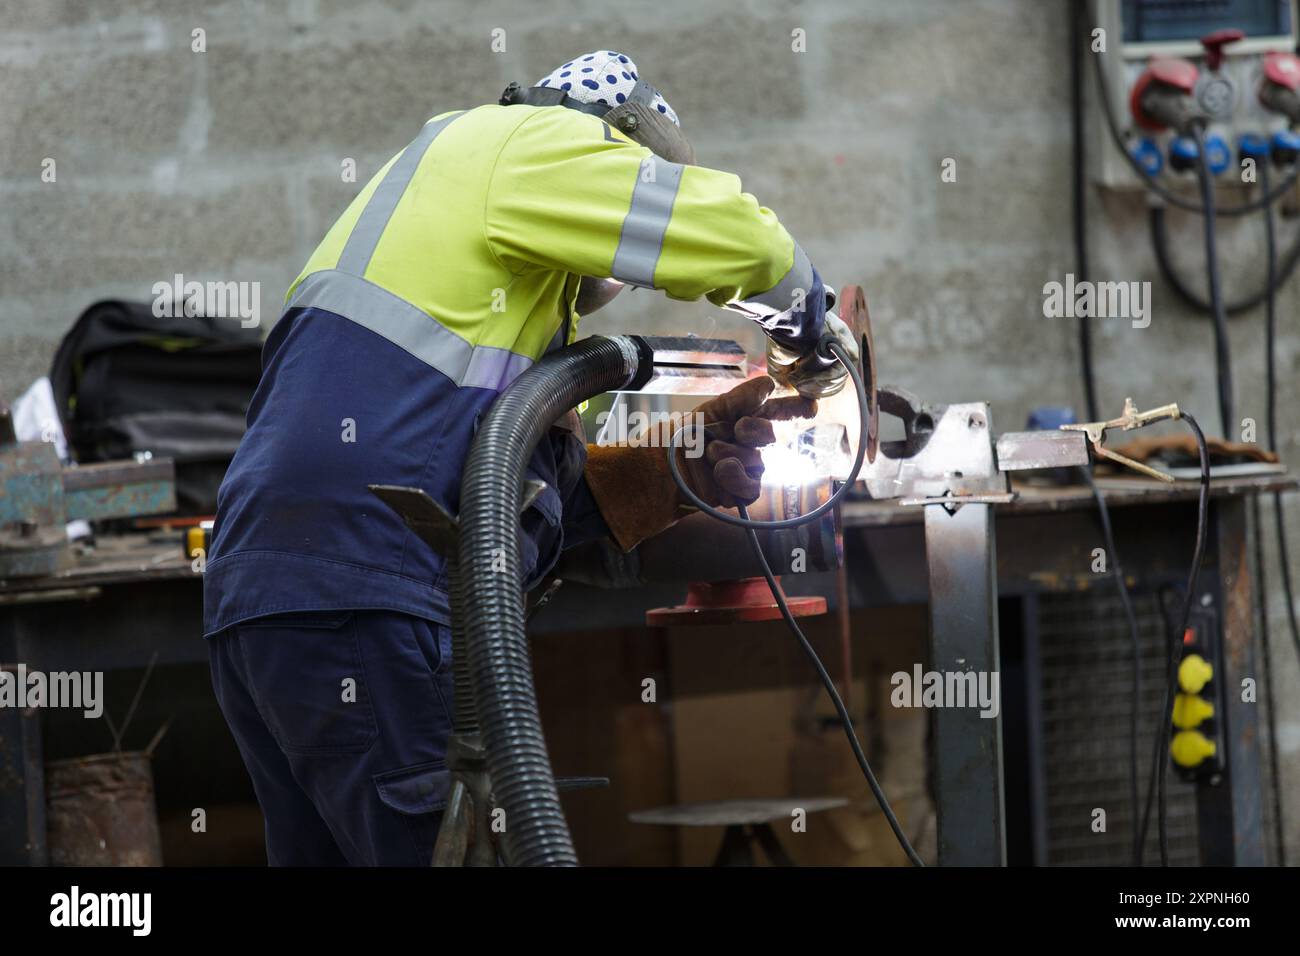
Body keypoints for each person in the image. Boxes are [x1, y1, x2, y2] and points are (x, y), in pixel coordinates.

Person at [203, 50, 859, 865]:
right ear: (616, 150)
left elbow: (509, 499)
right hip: (367, 597)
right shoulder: (526, 144)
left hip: (271, 607)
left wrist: (678, 469)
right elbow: (743, 239)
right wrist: (808, 337)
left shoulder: (478, 270)